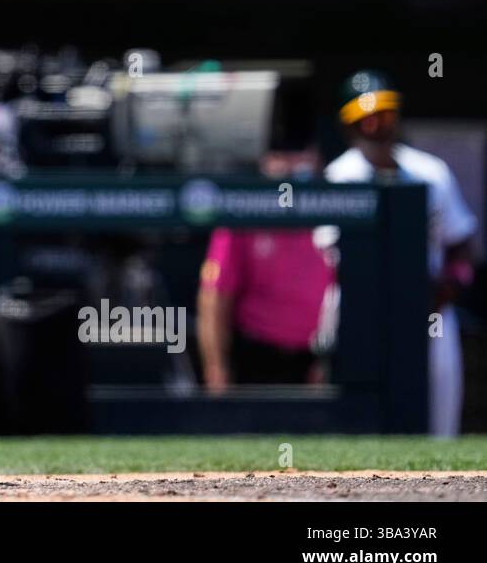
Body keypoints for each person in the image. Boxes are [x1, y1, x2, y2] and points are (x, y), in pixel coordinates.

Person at [325, 71, 478, 437]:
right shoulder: (338, 176)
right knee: (357, 419)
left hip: (429, 310)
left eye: (385, 115)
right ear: (350, 125)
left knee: (440, 420)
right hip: (361, 310)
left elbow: (461, 245)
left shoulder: (430, 172)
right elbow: (329, 257)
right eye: (367, 118)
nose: (377, 126)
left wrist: (447, 288)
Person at [197, 227, 335, 389]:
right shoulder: (239, 220)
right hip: (255, 360)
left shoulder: (328, 217)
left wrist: (327, 362)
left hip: (313, 362)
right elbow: (214, 300)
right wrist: (216, 369)